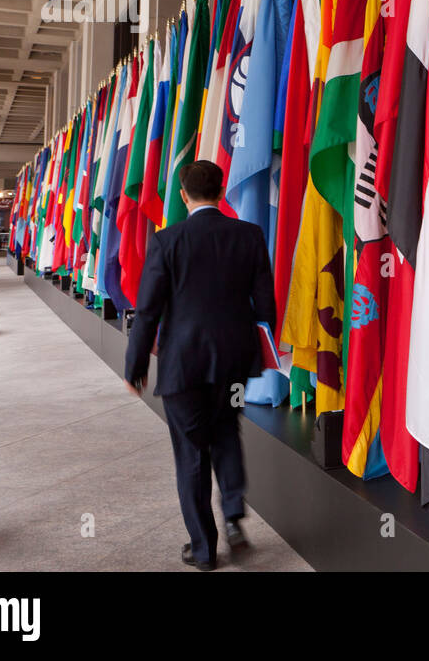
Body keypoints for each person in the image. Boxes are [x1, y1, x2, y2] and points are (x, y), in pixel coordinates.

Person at [124, 160, 275, 570]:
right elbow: (265, 305)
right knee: (227, 431)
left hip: (183, 366)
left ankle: (204, 550)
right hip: (234, 363)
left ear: (183, 195)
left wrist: (135, 365)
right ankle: (233, 515)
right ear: (222, 189)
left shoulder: (167, 240)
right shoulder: (249, 235)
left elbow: (148, 310)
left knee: (191, 452)